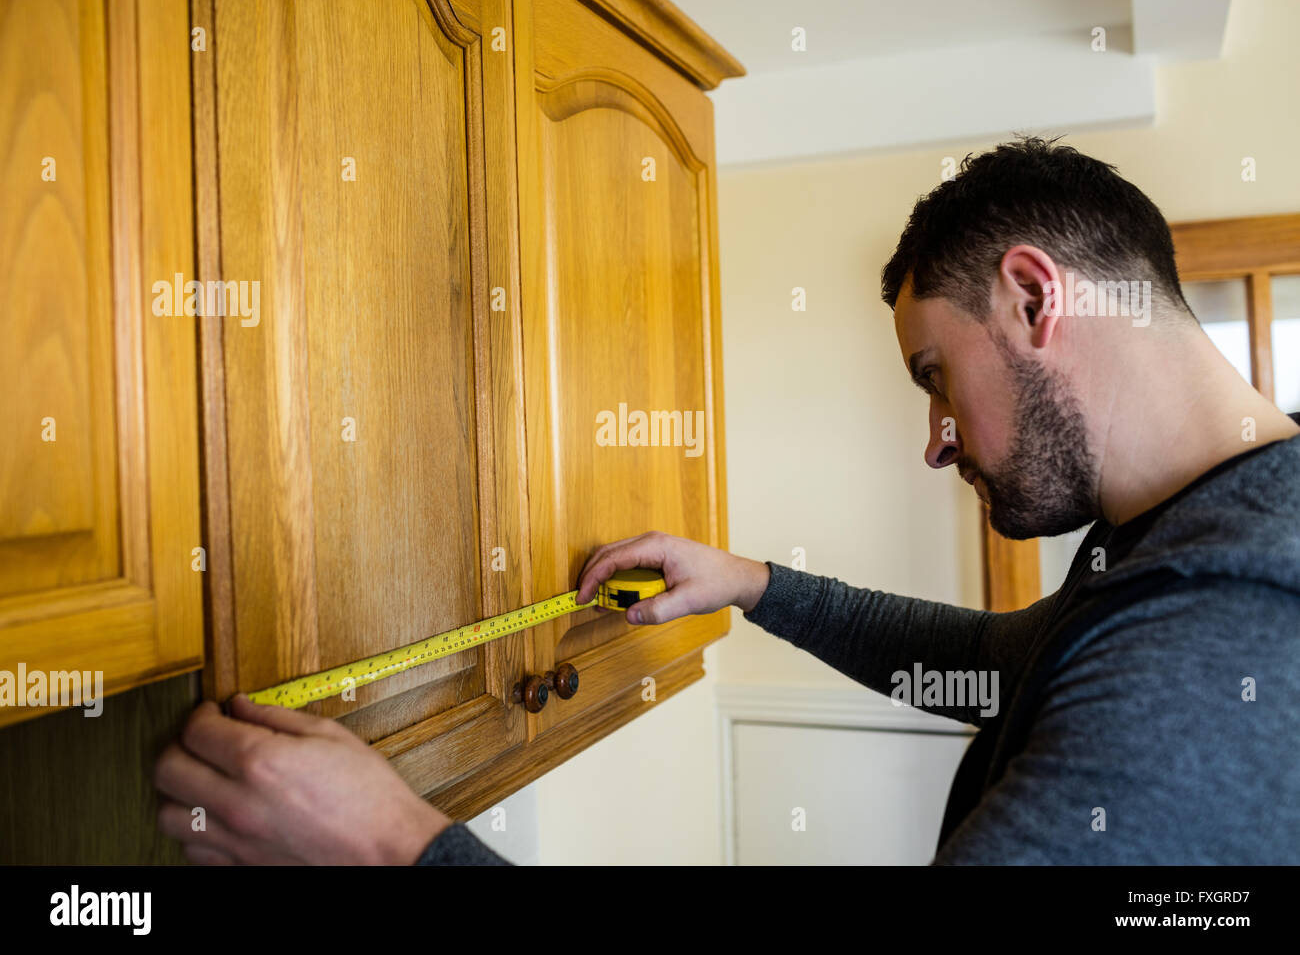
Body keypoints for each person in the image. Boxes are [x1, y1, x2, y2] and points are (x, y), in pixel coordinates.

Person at [153, 137, 1300, 864]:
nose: (934, 442)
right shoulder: (1203, 528)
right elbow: (1009, 664)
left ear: (1033, 298)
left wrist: (394, 844)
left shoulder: (1219, 633)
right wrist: (753, 584)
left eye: (933, 378)